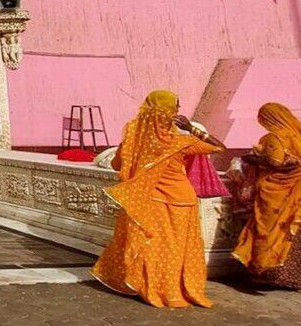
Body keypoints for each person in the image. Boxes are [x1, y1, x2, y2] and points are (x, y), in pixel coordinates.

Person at [92, 90, 225, 309]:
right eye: (176, 108)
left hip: (148, 201)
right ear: (171, 113)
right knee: (176, 248)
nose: (177, 111)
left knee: (153, 247)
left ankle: (148, 287)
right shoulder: (180, 141)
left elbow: (117, 165)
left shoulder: (135, 139)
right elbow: (219, 147)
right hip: (182, 201)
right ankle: (171, 292)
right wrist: (191, 128)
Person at [231, 103, 301, 289]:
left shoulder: (274, 137)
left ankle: (271, 277)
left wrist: (252, 158)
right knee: (300, 237)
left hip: (282, 195)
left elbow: (275, 162)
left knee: (276, 234)